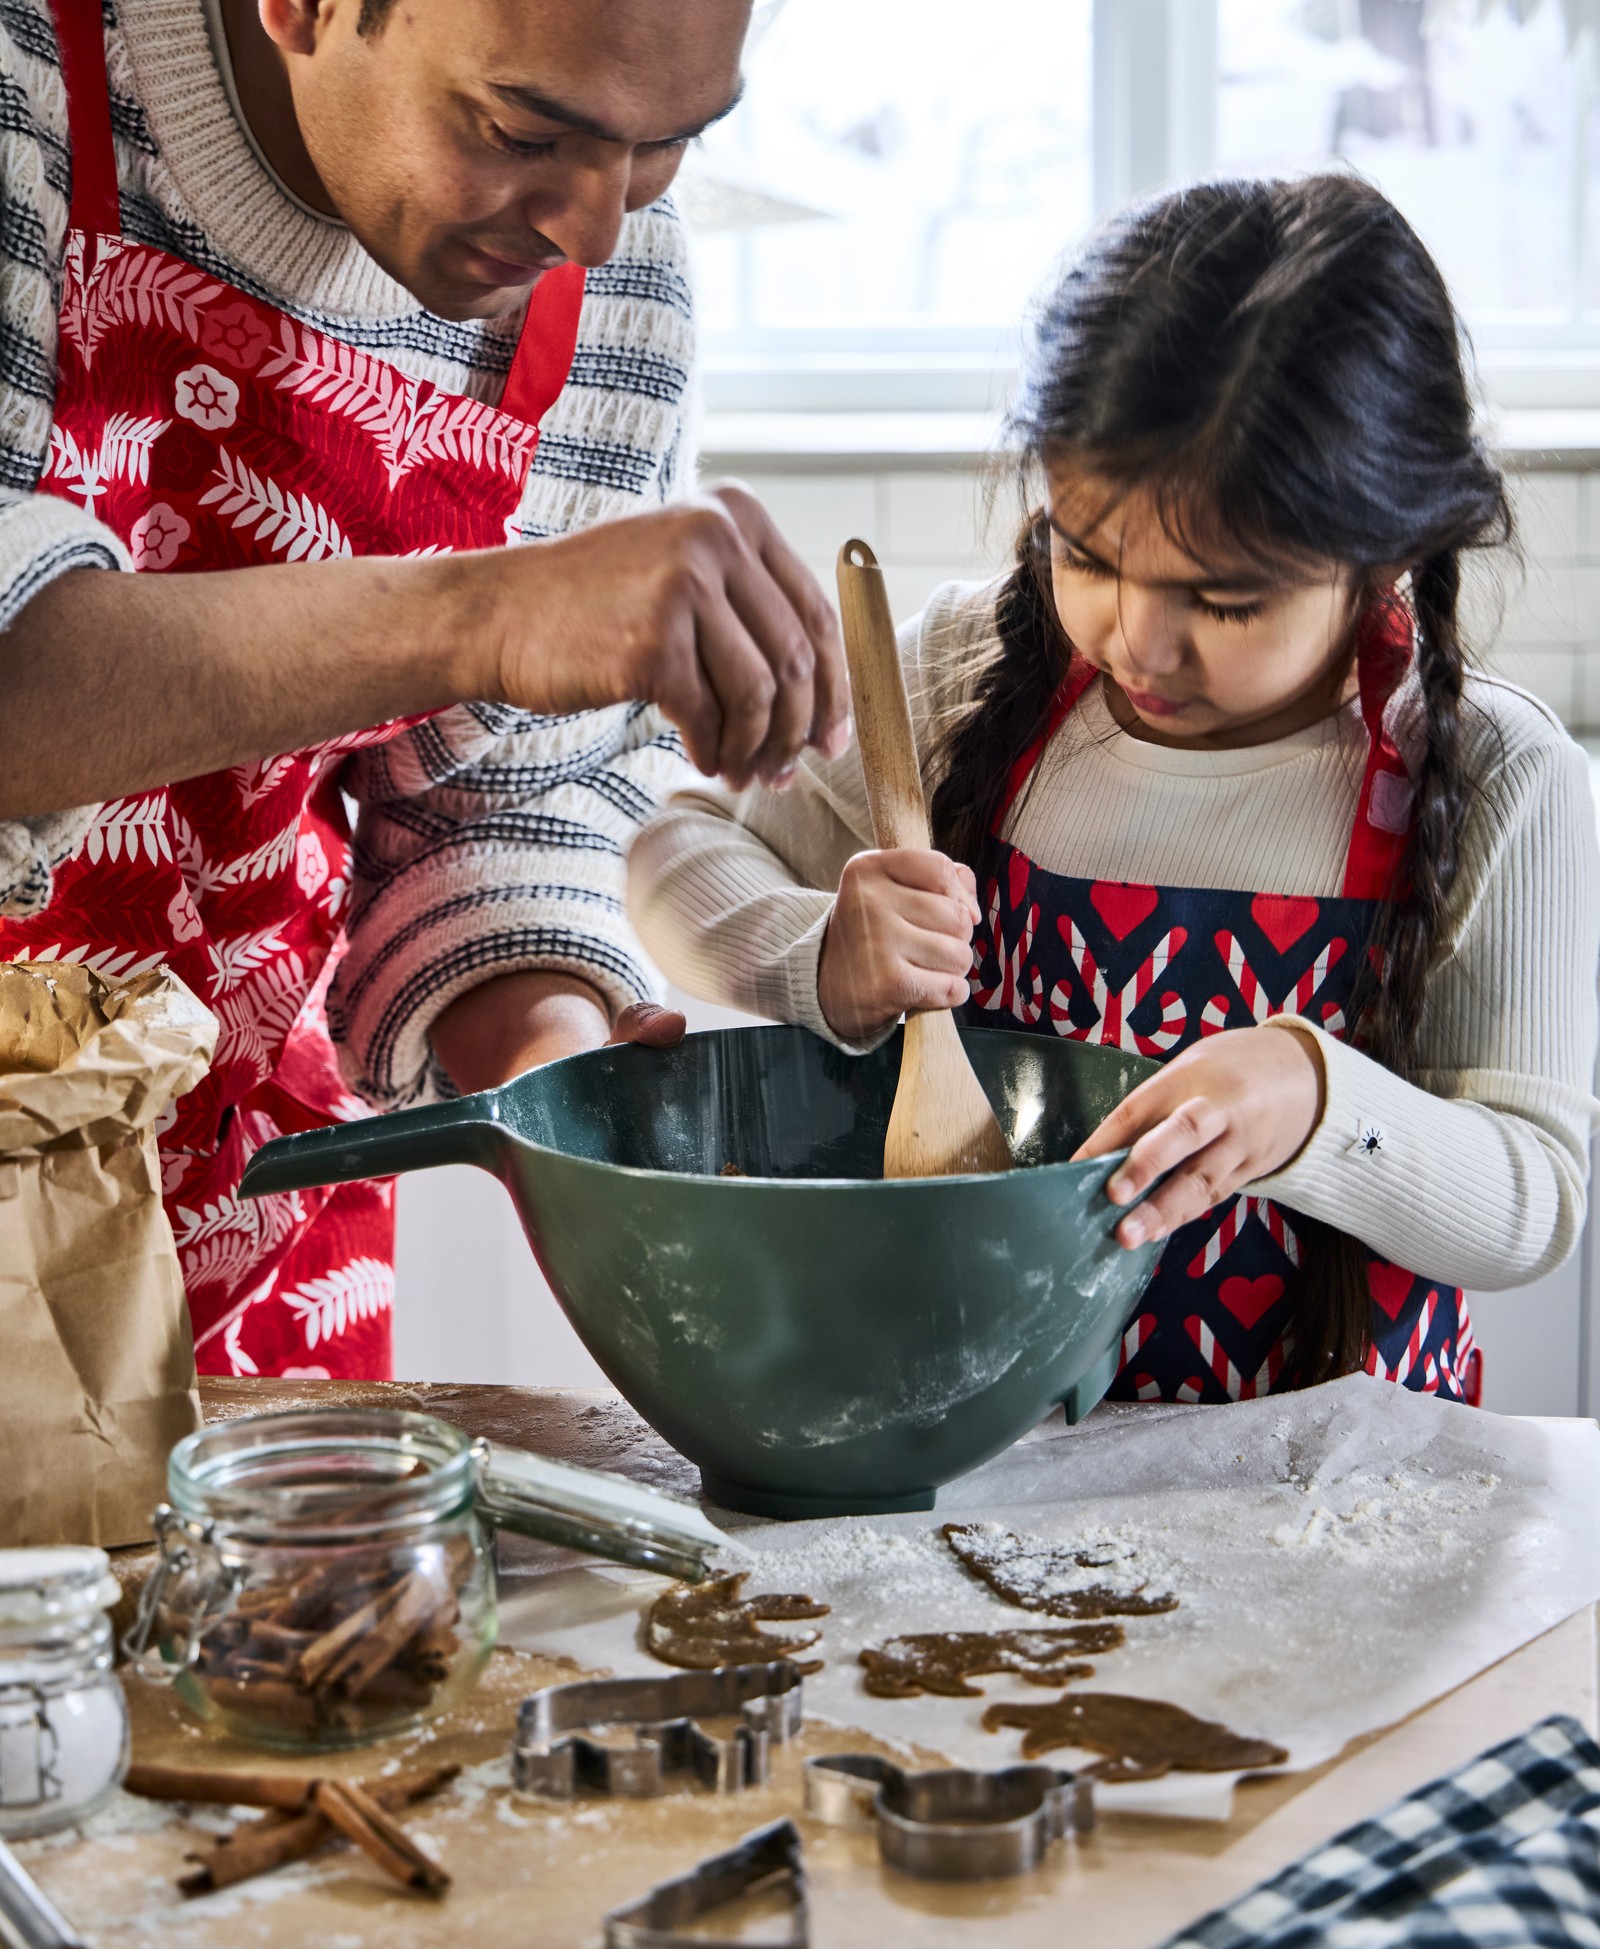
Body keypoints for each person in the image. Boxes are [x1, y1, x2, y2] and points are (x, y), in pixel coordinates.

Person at [630, 172, 1600, 1405]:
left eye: (1225, 599)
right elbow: (676, 845)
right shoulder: (970, 670)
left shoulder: (1496, 773)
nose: (1138, 641)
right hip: (998, 1472)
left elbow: (1530, 1200)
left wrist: (1314, 1102)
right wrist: (816, 955)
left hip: (1336, 1520)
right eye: (1084, 552)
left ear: (1388, 547)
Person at [0, 0, 848, 1377]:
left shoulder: (604, 289)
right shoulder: (30, 76)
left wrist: (564, 1080)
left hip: (247, 1258)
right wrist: (483, 614)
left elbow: (480, 802)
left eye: (669, 150)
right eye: (526, 132)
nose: (595, 228)